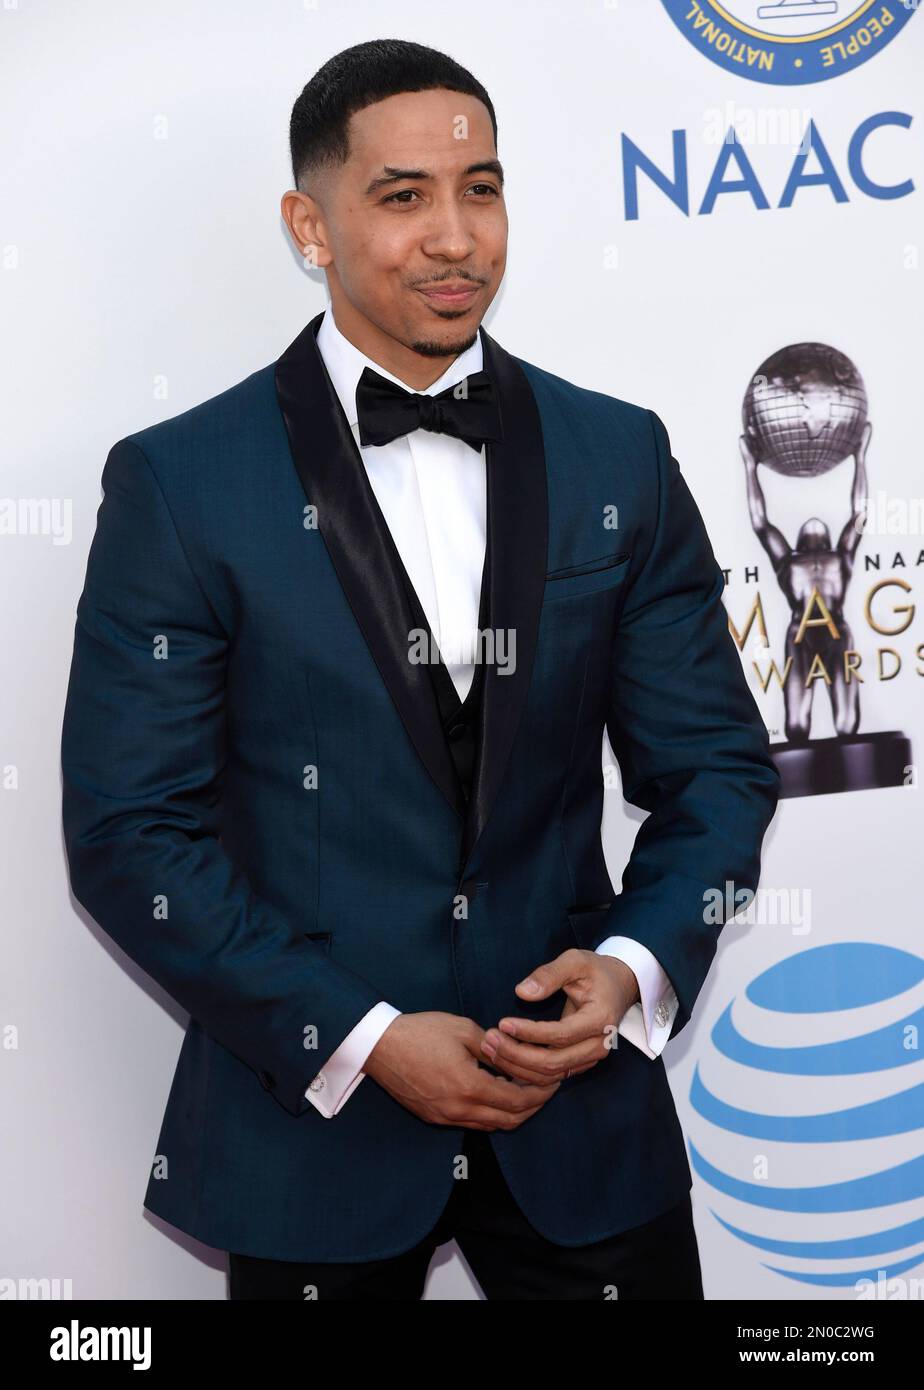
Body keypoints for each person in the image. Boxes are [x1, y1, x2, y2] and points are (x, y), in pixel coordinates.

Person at [61, 38, 781, 1300]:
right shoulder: (183, 483)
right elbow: (130, 831)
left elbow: (717, 768)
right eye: (404, 198)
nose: (456, 237)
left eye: (483, 188)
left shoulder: (618, 454)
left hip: (585, 1127)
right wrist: (365, 1036)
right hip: (314, 1131)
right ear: (311, 224)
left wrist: (631, 968)